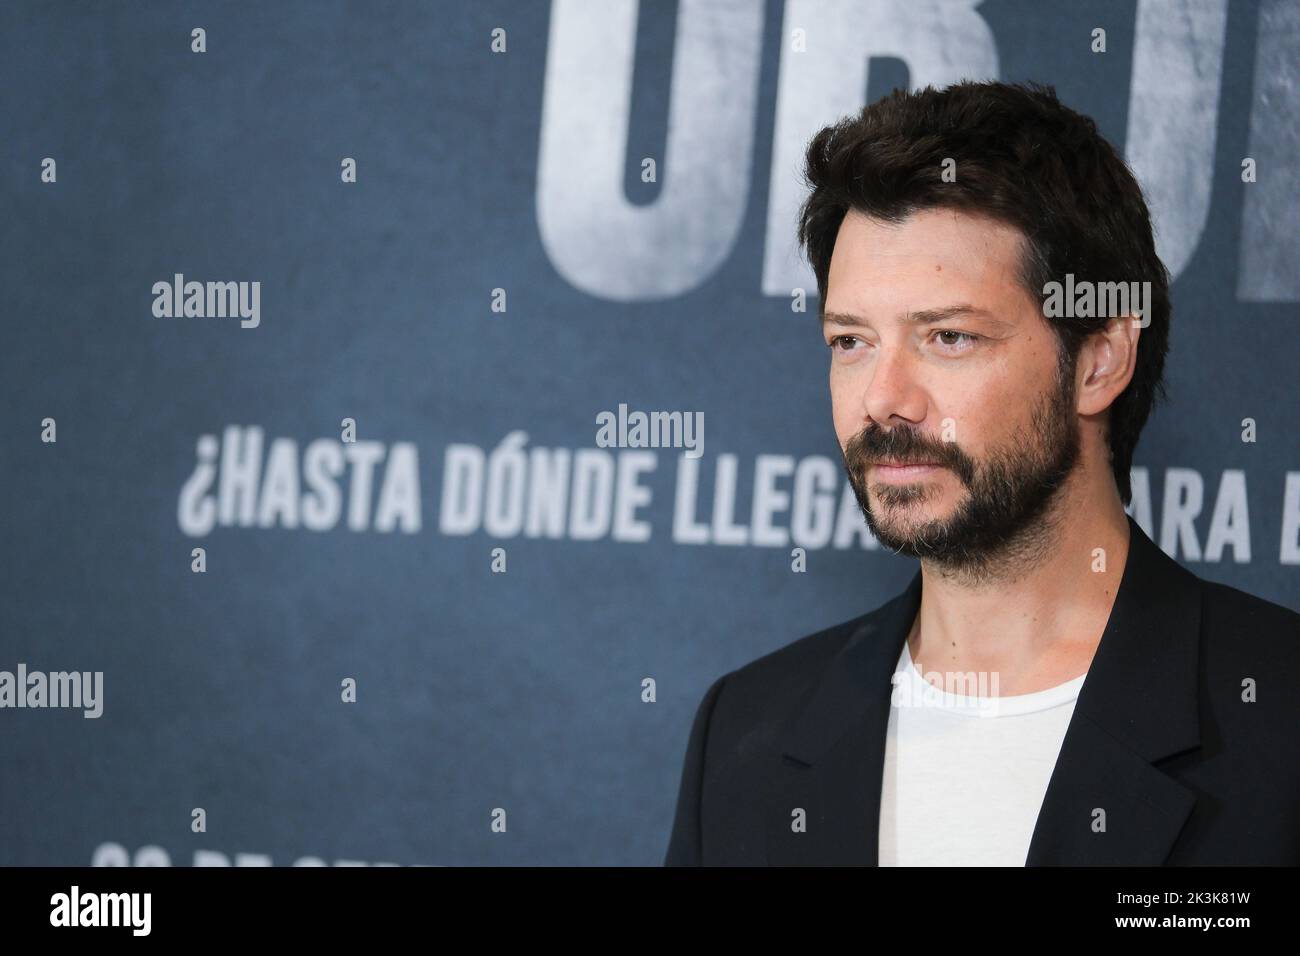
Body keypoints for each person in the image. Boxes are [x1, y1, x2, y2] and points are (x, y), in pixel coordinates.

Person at [664, 80, 1300, 866]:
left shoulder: (1278, 716)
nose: (883, 400)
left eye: (949, 337)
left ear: (1099, 362)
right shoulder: (745, 735)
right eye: (851, 341)